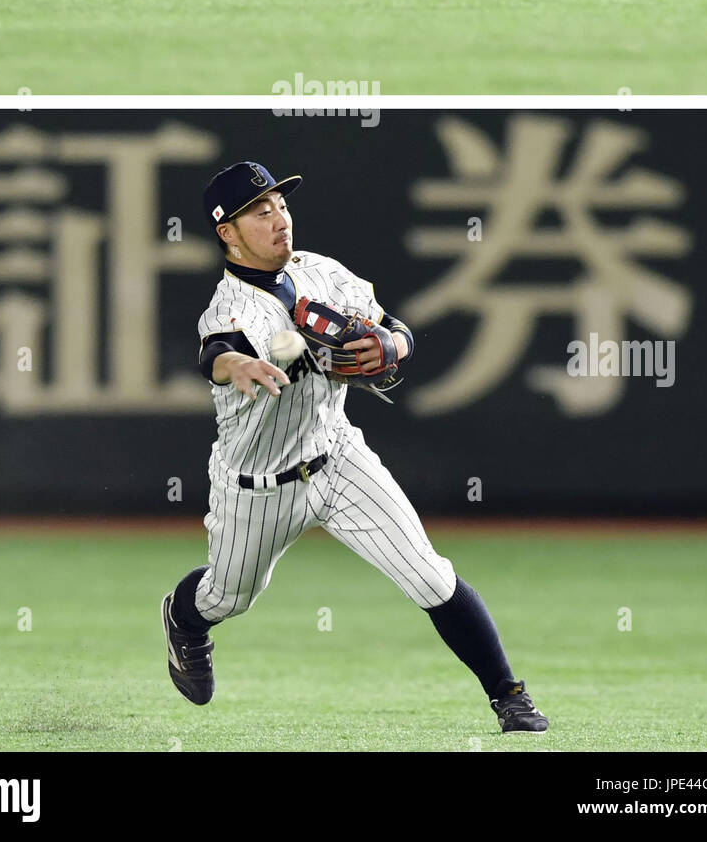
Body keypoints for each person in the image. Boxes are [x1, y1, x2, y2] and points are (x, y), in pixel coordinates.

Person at [160, 159, 548, 734]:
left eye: (281, 205)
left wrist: (393, 345)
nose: (279, 219)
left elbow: (394, 325)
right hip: (257, 487)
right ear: (228, 233)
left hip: (338, 456)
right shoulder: (231, 307)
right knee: (226, 597)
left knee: (429, 575)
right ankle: (183, 619)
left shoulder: (320, 271)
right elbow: (216, 351)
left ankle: (510, 698)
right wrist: (236, 364)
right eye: (260, 212)